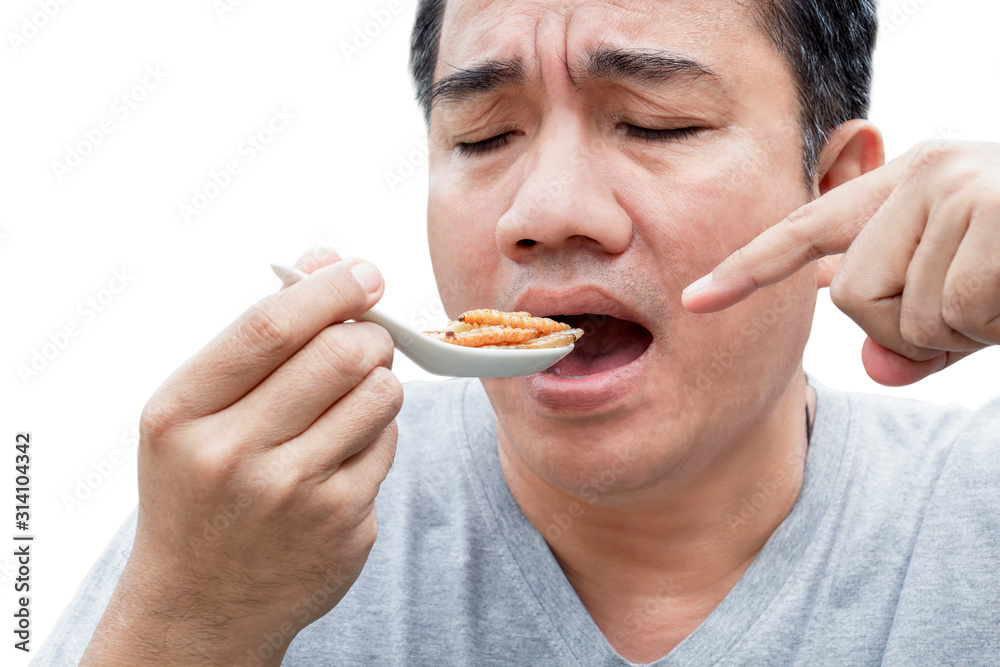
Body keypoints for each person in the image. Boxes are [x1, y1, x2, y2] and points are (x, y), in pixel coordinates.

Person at [36, 0, 999, 664]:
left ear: (835, 194)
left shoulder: (976, 509)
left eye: (656, 124)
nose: (545, 210)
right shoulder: (259, 521)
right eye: (485, 138)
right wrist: (188, 620)